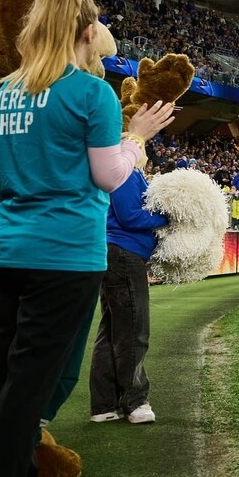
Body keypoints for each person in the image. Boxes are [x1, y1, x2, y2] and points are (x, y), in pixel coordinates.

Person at [0, 0, 174, 477]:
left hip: (9, 248)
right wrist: (137, 140)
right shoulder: (91, 92)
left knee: (9, 377)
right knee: (30, 388)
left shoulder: (8, 90)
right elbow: (108, 176)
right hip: (65, 252)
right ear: (89, 33)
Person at [89, 163, 168, 425]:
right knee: (134, 328)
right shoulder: (124, 170)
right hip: (124, 253)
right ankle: (135, 401)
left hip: (112, 252)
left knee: (111, 330)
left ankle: (104, 404)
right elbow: (130, 216)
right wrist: (167, 217)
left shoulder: (113, 168)